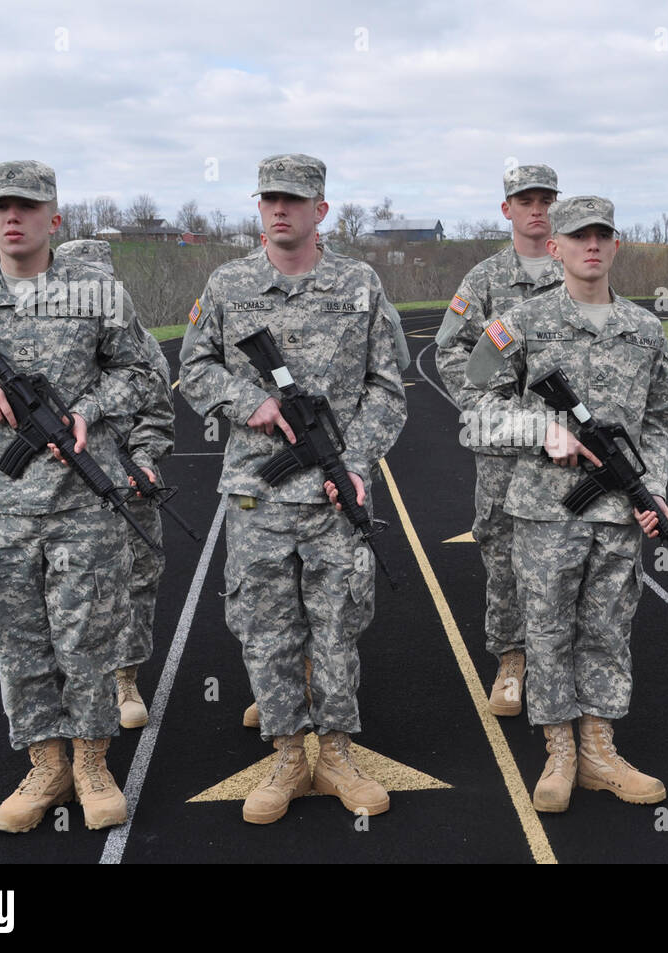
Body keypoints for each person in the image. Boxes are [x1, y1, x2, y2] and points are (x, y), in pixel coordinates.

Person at [0, 161, 151, 831]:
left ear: (55, 218)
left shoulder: (99, 295)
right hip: (0, 504)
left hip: (81, 499)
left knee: (90, 636)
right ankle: (46, 764)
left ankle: (92, 761)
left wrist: (89, 410)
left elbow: (143, 375)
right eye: (0, 206)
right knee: (15, 638)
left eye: (27, 206)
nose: (12, 217)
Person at [179, 154, 406, 825]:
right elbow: (193, 368)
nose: (280, 210)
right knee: (269, 630)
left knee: (336, 628)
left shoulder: (360, 284)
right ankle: (285, 754)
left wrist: (356, 459)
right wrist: (246, 400)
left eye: (294, 200)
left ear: (321, 211)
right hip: (258, 493)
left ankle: (334, 751)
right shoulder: (227, 284)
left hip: (338, 495)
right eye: (269, 199)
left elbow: (388, 387)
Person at [463, 195, 668, 813]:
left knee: (607, 628)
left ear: (615, 245)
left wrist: (653, 487)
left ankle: (601, 750)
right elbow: (476, 411)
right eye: (578, 235)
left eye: (601, 235)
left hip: (617, 510)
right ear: (554, 248)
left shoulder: (646, 330)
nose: (591, 245)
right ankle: (560, 752)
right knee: (549, 626)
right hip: (543, 510)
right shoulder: (521, 324)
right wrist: (540, 429)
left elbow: (660, 421)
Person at [436, 164, 564, 717]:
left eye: (545, 200)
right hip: (505, 449)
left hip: (568, 447)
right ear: (506, 209)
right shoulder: (485, 280)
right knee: (503, 548)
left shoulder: (580, 269)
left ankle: (559, 659)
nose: (536, 209)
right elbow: (450, 353)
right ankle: (512, 660)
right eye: (524, 200)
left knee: (566, 551)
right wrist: (492, 411)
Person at [56, 239, 175, 729]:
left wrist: (143, 460)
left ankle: (125, 679)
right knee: (67, 588)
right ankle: (77, 683)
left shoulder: (142, 347)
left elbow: (158, 415)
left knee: (137, 580)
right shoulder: (48, 343)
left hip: (126, 485)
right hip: (60, 492)